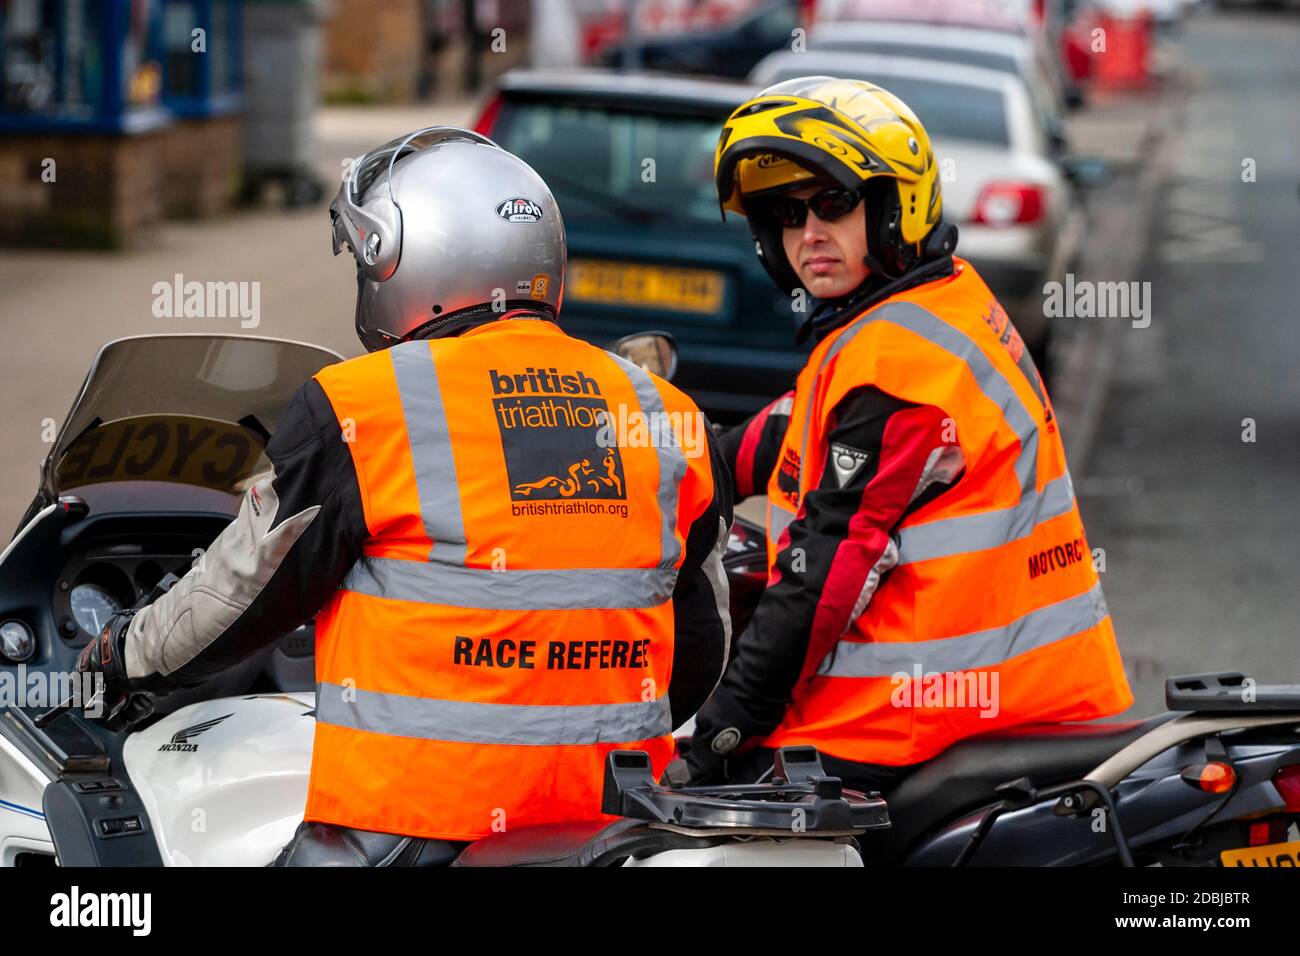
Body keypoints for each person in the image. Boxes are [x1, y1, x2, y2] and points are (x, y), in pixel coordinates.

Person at [76, 128, 732, 865]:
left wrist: (120, 656)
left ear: (401, 258)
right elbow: (701, 646)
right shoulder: (667, 413)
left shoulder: (365, 407)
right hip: (613, 829)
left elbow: (241, 595)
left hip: (409, 829)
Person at [685, 78, 1132, 794]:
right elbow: (780, 437)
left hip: (923, 717)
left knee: (687, 819)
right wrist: (672, 461)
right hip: (990, 696)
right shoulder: (924, 305)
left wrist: (719, 730)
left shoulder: (902, 366)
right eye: (784, 214)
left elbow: (821, 578)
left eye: (832, 203)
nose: (809, 234)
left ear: (897, 205)